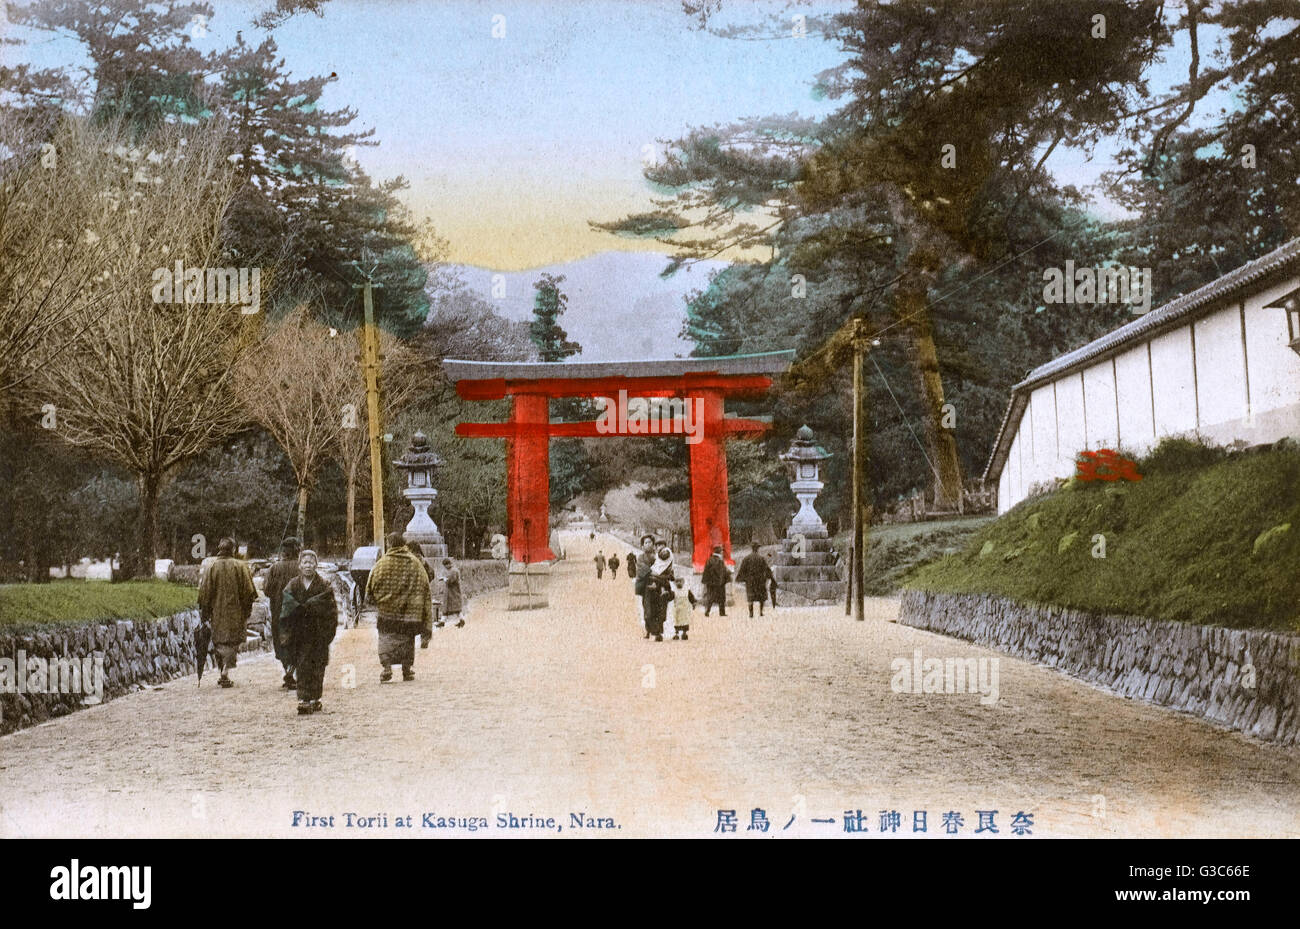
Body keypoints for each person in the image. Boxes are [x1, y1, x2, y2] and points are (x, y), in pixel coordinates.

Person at [366, 531, 433, 682]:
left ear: (389, 544)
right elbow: (425, 586)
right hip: (410, 613)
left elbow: (370, 586)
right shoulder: (415, 563)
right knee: (407, 641)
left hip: (387, 612)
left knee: (386, 639)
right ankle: (406, 669)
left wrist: (375, 599)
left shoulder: (381, 564)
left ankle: (386, 668)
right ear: (403, 544)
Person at [281, 550, 337, 716]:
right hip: (300, 632)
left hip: (318, 632)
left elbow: (330, 608)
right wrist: (301, 609)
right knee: (302, 664)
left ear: (316, 565)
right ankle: (304, 699)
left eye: (311, 562)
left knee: (318, 665)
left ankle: (315, 698)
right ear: (299, 565)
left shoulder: (324, 585)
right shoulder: (293, 585)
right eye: (304, 562)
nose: (307, 566)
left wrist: (311, 608)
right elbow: (287, 604)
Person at [197, 537, 256, 688]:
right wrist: (246, 609)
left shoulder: (211, 567)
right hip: (236, 612)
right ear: (233, 550)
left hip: (217, 612)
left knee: (219, 641)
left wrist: (205, 611)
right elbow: (249, 592)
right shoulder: (240, 566)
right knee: (232, 642)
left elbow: (204, 592)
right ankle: (225, 671)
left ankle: (222, 670)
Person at [263, 537, 301, 690]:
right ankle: (294, 673)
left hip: (279, 613)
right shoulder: (301, 568)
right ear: (297, 550)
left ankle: (288, 671)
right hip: (299, 614)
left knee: (283, 645)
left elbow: (266, 590)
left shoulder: (274, 569)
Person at [643, 545, 675, 642]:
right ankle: (652, 631)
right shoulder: (654, 561)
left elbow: (672, 577)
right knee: (652, 611)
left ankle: (657, 633)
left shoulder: (668, 565)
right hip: (654, 589)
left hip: (660, 589)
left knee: (659, 612)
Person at [736, 542, 774, 618]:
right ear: (758, 549)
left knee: (750, 597)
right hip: (760, 580)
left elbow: (742, 569)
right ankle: (761, 612)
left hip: (750, 581)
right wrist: (770, 576)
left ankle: (751, 613)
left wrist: (740, 578)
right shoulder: (761, 558)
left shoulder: (746, 558)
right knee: (761, 597)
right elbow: (766, 569)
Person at [633, 534, 657, 636]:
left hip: (657, 585)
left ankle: (657, 630)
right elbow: (642, 569)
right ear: (642, 546)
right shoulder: (640, 557)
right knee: (647, 608)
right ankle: (648, 630)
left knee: (657, 607)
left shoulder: (658, 556)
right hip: (646, 585)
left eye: (649, 542)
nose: (647, 544)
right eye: (645, 543)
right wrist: (653, 571)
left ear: (653, 544)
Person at [701, 544, 730, 617]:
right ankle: (722, 613)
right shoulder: (720, 561)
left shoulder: (709, 560)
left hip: (711, 583)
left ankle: (707, 611)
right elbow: (723, 572)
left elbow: (706, 572)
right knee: (721, 598)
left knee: (710, 597)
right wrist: (727, 577)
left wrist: (706, 582)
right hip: (720, 583)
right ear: (719, 552)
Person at [440, 557, 465, 628]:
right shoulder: (453, 570)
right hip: (451, 592)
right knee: (452, 608)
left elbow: (451, 581)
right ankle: (443, 621)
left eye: (445, 565)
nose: (445, 567)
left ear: (448, 564)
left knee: (454, 608)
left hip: (453, 592)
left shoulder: (454, 571)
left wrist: (444, 579)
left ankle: (461, 620)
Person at [670, 576, 696, 641]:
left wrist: (693, 603)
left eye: (680, 581)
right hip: (677, 609)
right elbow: (669, 598)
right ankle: (676, 634)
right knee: (676, 621)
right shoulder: (674, 591)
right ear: (675, 583)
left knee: (685, 621)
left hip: (685, 609)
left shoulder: (687, 590)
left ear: (683, 582)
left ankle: (684, 633)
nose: (679, 583)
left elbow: (691, 598)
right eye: (677, 581)